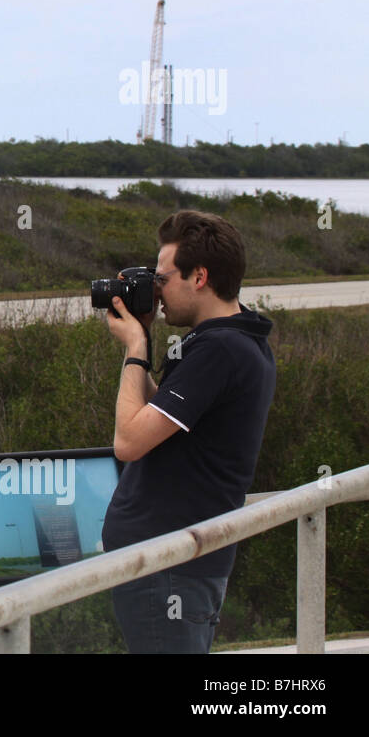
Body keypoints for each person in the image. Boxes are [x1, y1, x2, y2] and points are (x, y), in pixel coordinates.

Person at [101, 210, 276, 653]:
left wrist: (137, 348)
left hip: (171, 570)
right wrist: (141, 343)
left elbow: (129, 442)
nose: (157, 293)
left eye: (163, 278)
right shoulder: (237, 338)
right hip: (177, 565)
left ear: (199, 277)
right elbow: (161, 417)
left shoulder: (220, 348)